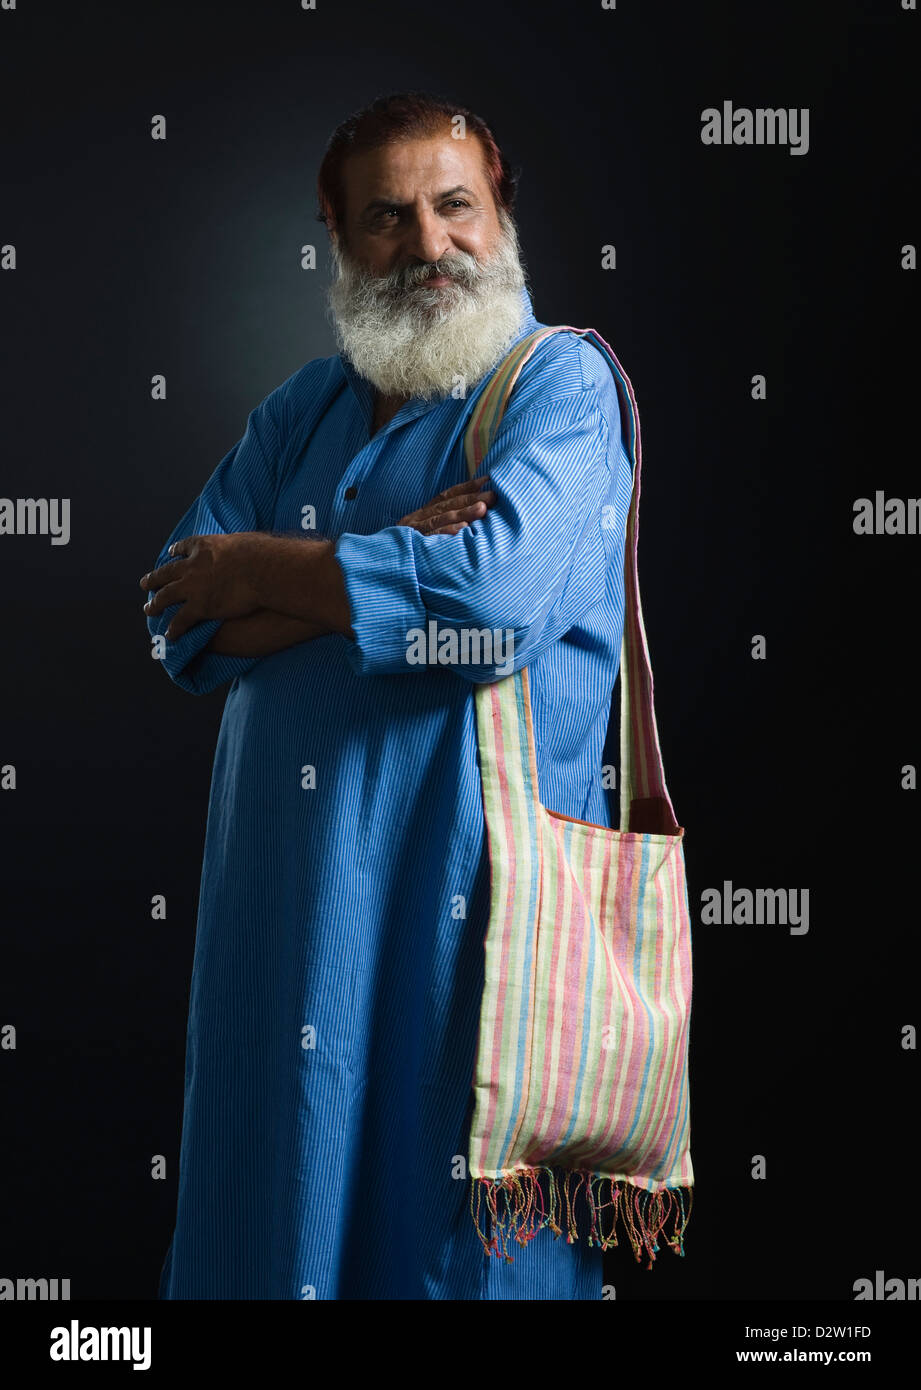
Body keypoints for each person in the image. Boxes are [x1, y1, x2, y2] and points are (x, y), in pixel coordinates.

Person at [141, 90, 633, 1299]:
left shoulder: (559, 389)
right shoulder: (300, 409)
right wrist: (403, 554)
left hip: (462, 929)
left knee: (448, 1242)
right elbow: (178, 621)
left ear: (499, 209)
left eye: (454, 205)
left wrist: (265, 567)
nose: (428, 245)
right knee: (273, 1209)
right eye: (387, 216)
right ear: (338, 235)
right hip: (280, 926)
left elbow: (493, 603)